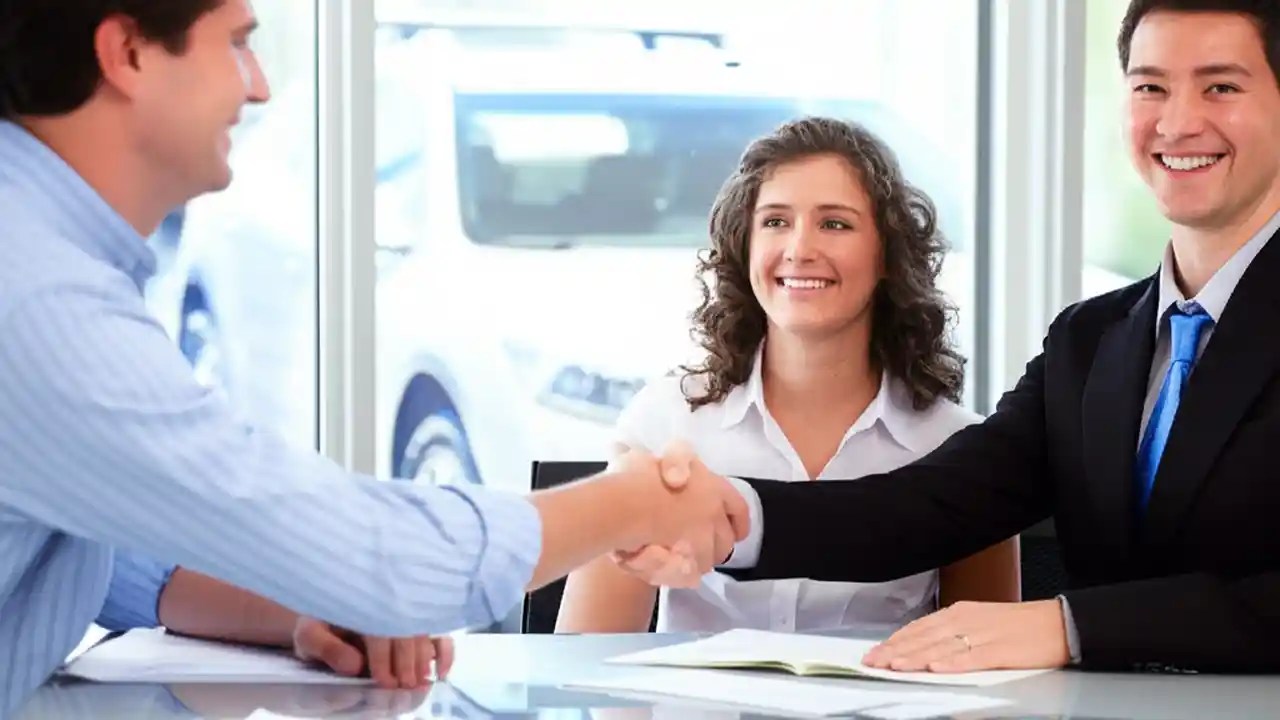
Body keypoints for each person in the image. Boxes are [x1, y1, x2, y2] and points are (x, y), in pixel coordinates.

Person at [0, 0, 748, 709]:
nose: (259, 86)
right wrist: (635, 500)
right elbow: (384, 557)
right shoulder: (39, 297)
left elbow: (90, 547)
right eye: (235, 43)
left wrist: (301, 606)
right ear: (127, 52)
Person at [619, 0, 1280, 673]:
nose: (1176, 121)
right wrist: (736, 517)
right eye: (1150, 88)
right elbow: (928, 505)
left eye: (1220, 86)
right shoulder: (1090, 343)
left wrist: (1072, 626)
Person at [555, 117, 1020, 635]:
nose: (800, 249)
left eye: (835, 224)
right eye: (776, 222)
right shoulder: (666, 419)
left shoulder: (960, 448)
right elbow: (586, 660)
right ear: (744, 245)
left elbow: (989, 669)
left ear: (888, 255)